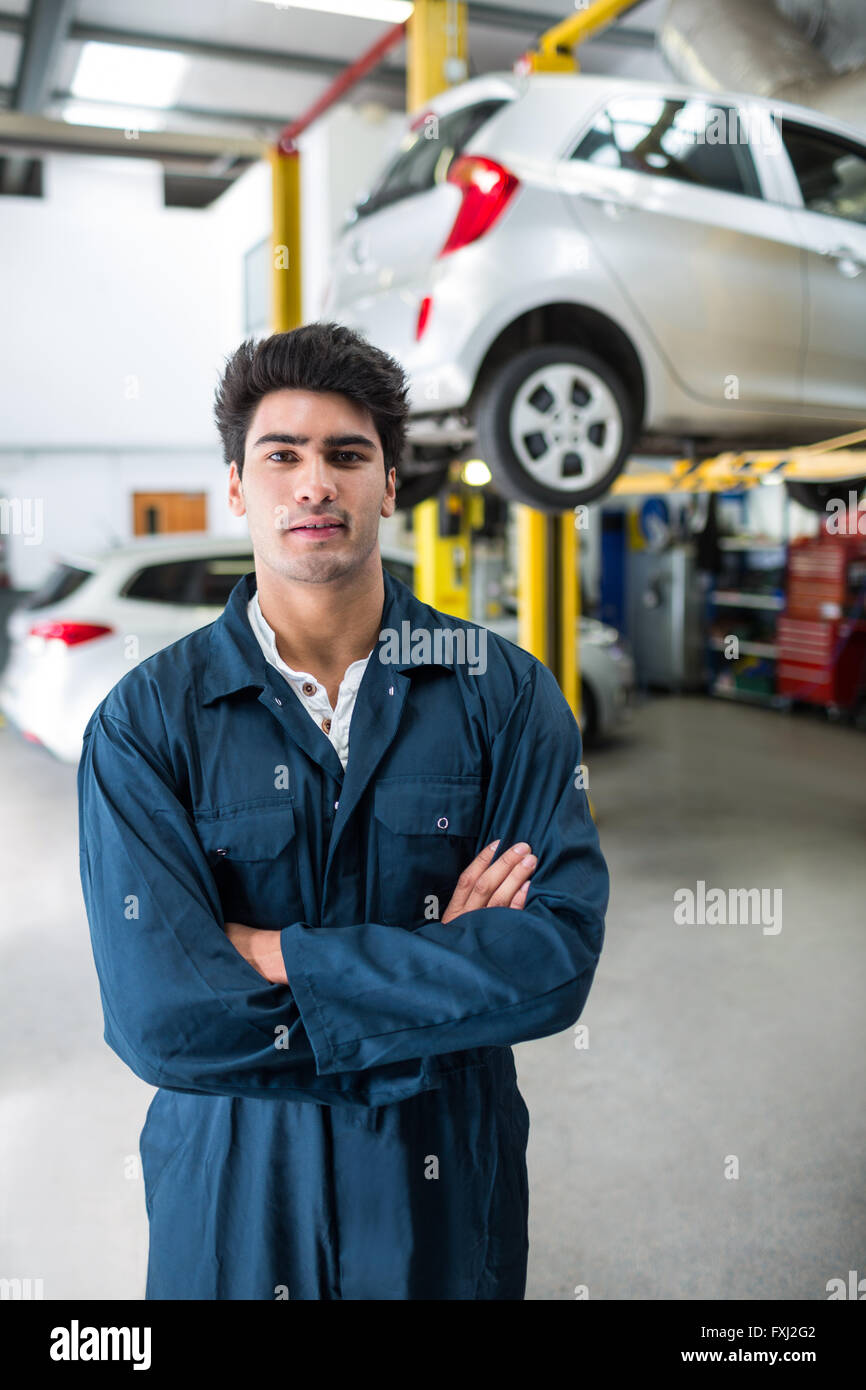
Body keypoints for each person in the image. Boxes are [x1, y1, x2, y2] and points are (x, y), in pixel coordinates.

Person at [77, 321, 610, 1301]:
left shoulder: (504, 693)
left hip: (443, 1183)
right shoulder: (144, 723)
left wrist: (284, 956)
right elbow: (162, 1019)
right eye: (280, 456)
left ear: (389, 484)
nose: (313, 483)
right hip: (234, 1193)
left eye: (345, 455)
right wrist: (442, 970)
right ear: (237, 486)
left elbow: (553, 962)